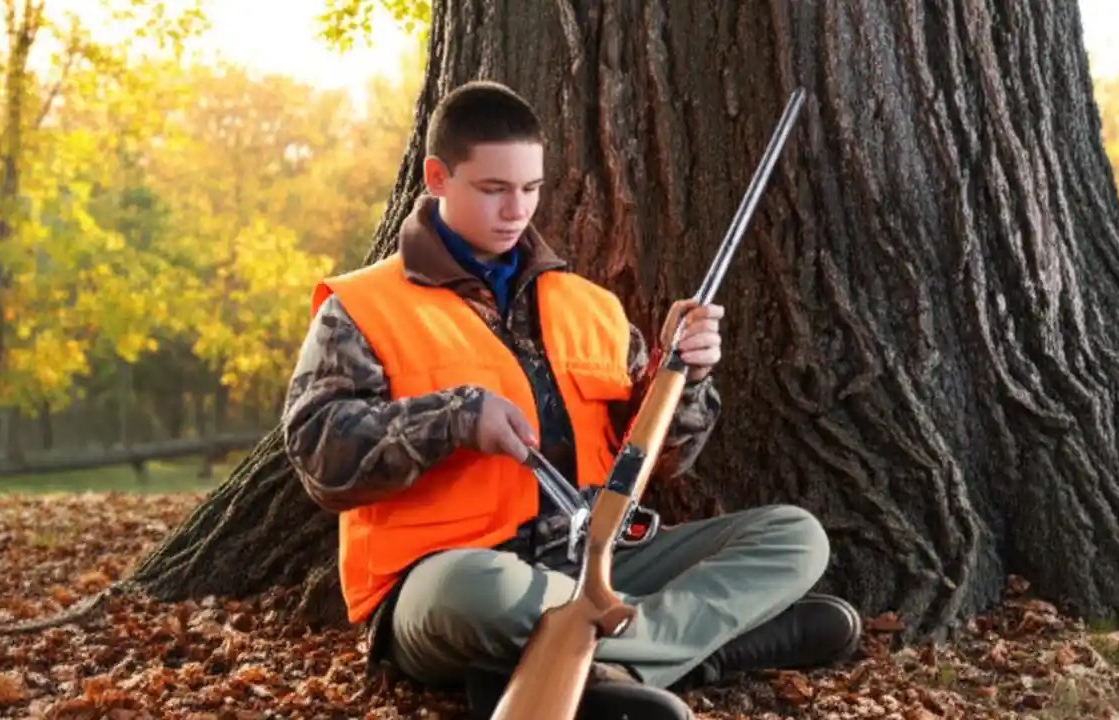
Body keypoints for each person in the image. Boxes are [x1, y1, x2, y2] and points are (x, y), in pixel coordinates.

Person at [281, 80, 861, 719]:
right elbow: (319, 459)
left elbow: (666, 459)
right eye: (494, 189)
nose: (516, 210)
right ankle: (704, 650)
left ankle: (596, 673)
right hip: (451, 580)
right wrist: (454, 419)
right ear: (437, 178)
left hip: (601, 562)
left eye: (530, 189)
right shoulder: (362, 307)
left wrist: (685, 377)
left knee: (794, 536)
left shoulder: (591, 307)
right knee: (479, 591)